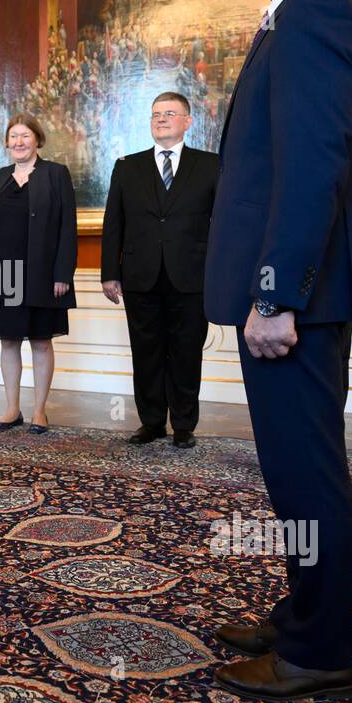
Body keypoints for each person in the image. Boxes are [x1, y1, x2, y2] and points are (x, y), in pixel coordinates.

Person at [205, 0, 352, 699]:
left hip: (296, 300)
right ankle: (304, 611)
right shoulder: (306, 12)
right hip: (297, 293)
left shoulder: (315, 10)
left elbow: (314, 169)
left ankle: (319, 651)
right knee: (295, 469)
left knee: (307, 472)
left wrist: (275, 294)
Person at [101, 91, 218, 448]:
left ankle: (184, 425)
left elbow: (224, 224)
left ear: (188, 121)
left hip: (193, 276)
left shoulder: (211, 165)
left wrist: (222, 273)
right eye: (155, 114)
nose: (161, 119)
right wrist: (109, 272)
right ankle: (151, 422)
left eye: (170, 113)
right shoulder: (127, 166)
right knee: (146, 351)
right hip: (140, 276)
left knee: (185, 351)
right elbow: (113, 224)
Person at [0, 113, 77, 434]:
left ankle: (40, 411)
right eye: (13, 137)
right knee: (8, 342)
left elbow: (67, 228)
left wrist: (63, 273)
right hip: (2, 274)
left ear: (37, 140)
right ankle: (12, 409)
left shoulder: (55, 174)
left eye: (25, 136)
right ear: (7, 143)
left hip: (43, 274)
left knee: (42, 342)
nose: (19, 142)